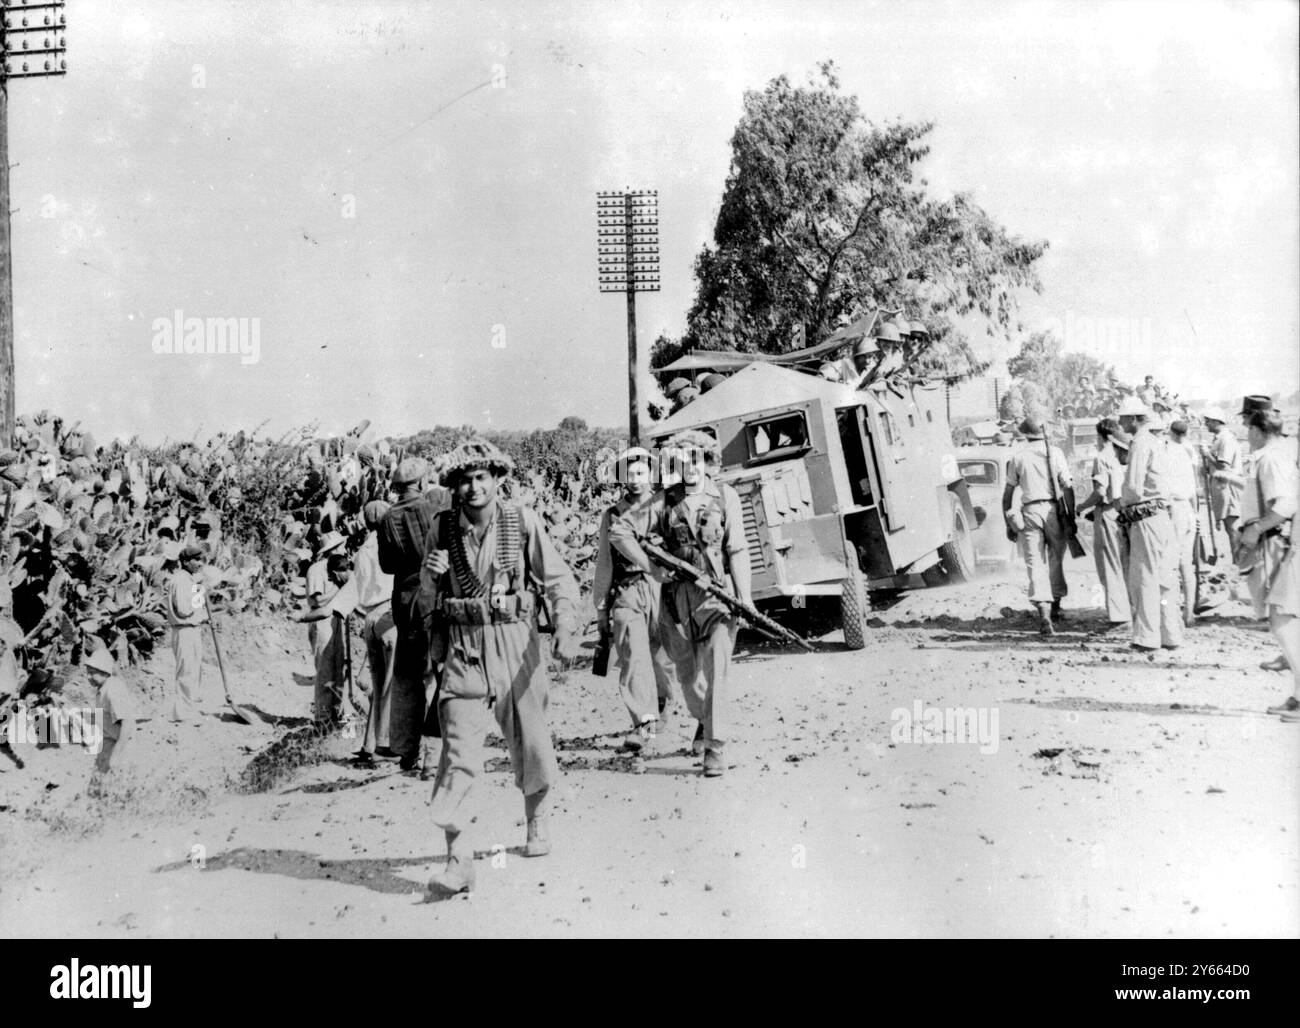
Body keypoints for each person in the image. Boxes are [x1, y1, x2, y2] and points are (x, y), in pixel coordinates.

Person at [421, 439, 581, 897]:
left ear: (496, 480)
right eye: (464, 480)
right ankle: (458, 859)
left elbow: (558, 579)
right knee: (457, 754)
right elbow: (424, 608)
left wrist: (566, 626)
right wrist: (430, 580)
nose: (473, 487)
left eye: (481, 478)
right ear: (454, 486)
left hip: (515, 643)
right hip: (464, 650)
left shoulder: (521, 521)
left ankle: (536, 818)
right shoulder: (442, 530)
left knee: (530, 739)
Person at [608, 429, 750, 777]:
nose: (690, 468)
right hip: (675, 604)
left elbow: (737, 549)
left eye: (696, 460)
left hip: (717, 598)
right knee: (688, 683)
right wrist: (651, 566)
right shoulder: (662, 502)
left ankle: (715, 747)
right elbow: (619, 532)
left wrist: (744, 600)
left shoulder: (724, 496)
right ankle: (704, 719)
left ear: (707, 462)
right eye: (680, 462)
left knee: (717, 671)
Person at [592, 447, 678, 752]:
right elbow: (605, 562)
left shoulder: (665, 507)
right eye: (629, 474)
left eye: (641, 473)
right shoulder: (612, 515)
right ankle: (644, 724)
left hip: (663, 588)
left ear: (651, 475)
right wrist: (601, 606)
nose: (635, 480)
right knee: (633, 658)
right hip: (628, 590)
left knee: (664, 658)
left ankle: (663, 705)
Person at [377, 457, 447, 771]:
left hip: (403, 601)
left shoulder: (386, 518)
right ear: (420, 483)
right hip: (432, 597)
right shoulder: (434, 513)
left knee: (407, 676)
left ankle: (407, 752)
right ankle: (434, 756)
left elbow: (387, 566)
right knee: (444, 673)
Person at [1116, 396, 1183, 652]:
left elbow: (1133, 487)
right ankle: (1170, 635)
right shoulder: (1156, 442)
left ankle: (1146, 637)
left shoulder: (1140, 443)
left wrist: (1122, 505)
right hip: (1162, 514)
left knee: (1144, 577)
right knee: (1165, 579)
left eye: (1123, 418)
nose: (1121, 423)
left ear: (1133, 419)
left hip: (1145, 516)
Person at [1002, 417, 1075, 636]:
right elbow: (1068, 487)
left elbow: (1007, 495)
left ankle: (1043, 612)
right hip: (1054, 510)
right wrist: (1070, 517)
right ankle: (1056, 606)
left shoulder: (1018, 457)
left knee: (1035, 562)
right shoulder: (1056, 453)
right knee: (1056, 559)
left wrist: (1009, 521)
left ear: (1024, 434)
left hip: (1030, 511)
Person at [1075, 419, 1130, 627]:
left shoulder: (1102, 457)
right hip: (1124, 511)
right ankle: (1128, 608)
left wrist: (1082, 507)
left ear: (1102, 436)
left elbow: (1099, 492)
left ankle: (1118, 614)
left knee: (1108, 564)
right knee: (1123, 561)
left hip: (1107, 513)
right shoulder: (1124, 454)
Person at [354, 500, 398, 764]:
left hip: (369, 616)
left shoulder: (362, 551)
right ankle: (387, 745)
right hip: (388, 612)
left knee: (377, 684)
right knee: (391, 684)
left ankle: (369, 744)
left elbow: (359, 591)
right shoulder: (390, 546)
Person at [305, 531, 349, 726]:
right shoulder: (317, 569)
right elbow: (316, 600)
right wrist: (337, 587)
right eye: (340, 546)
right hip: (322, 621)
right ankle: (322, 719)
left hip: (336, 619)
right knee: (324, 670)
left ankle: (336, 715)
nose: (344, 549)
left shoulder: (339, 567)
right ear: (331, 549)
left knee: (339, 669)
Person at [166, 543, 210, 724]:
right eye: (196, 560)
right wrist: (199, 592)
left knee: (194, 670)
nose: (200, 563)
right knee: (186, 672)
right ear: (185, 561)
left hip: (193, 629)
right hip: (184, 630)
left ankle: (191, 708)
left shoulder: (190, 580)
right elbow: (184, 609)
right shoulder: (181, 580)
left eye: (201, 560)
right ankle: (183, 713)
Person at [85, 648, 134, 793]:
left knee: (116, 789)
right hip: (108, 741)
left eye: (92, 673)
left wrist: (116, 754)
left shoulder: (113, 690)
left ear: (104, 671)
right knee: (96, 787)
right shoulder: (103, 688)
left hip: (122, 744)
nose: (88, 677)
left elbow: (127, 722)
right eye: (87, 672)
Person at [1165, 420, 1199, 626]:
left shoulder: (1167, 452)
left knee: (1170, 562)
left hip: (1176, 507)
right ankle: (1189, 612)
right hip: (1188, 507)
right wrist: (1195, 514)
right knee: (1186, 563)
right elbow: (1193, 488)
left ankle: (1173, 611)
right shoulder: (1187, 453)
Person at [1201, 407, 1243, 548]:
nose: (1205, 424)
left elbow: (1224, 467)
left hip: (1229, 488)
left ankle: (1239, 565)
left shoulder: (1225, 439)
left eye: (1207, 421)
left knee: (1233, 529)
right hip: (1222, 487)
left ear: (1215, 421)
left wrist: (1207, 454)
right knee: (1229, 529)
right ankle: (1236, 563)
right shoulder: (1219, 438)